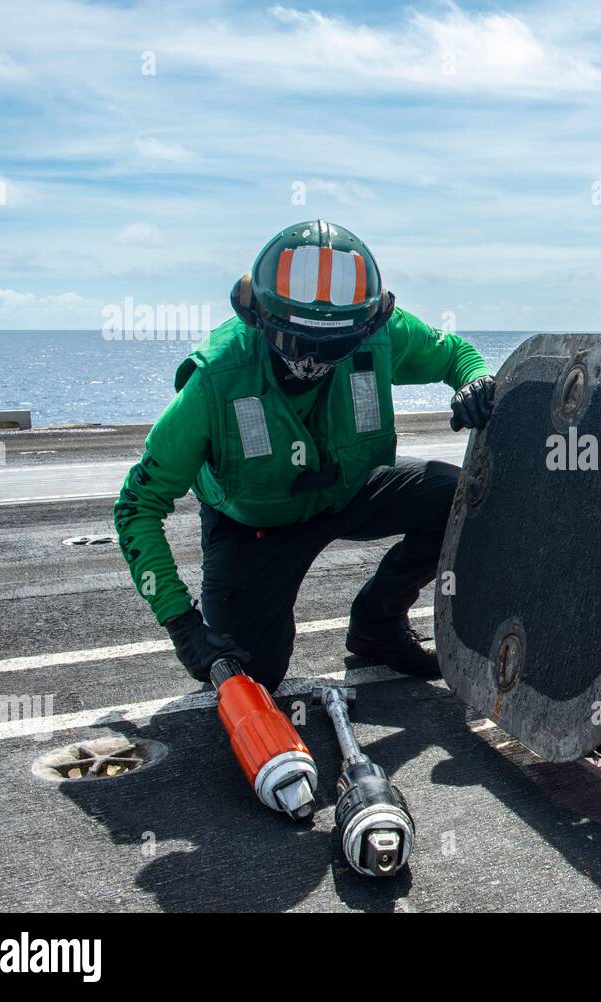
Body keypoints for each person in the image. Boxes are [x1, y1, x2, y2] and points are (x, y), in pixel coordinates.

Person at [113, 220, 496, 689]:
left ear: (368, 326)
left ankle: (377, 625)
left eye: (334, 345)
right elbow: (137, 505)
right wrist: (182, 624)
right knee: (253, 674)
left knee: (457, 498)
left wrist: (475, 381)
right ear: (257, 319)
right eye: (297, 342)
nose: (311, 361)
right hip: (254, 525)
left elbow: (454, 353)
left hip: (347, 491)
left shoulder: (381, 335)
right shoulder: (215, 378)